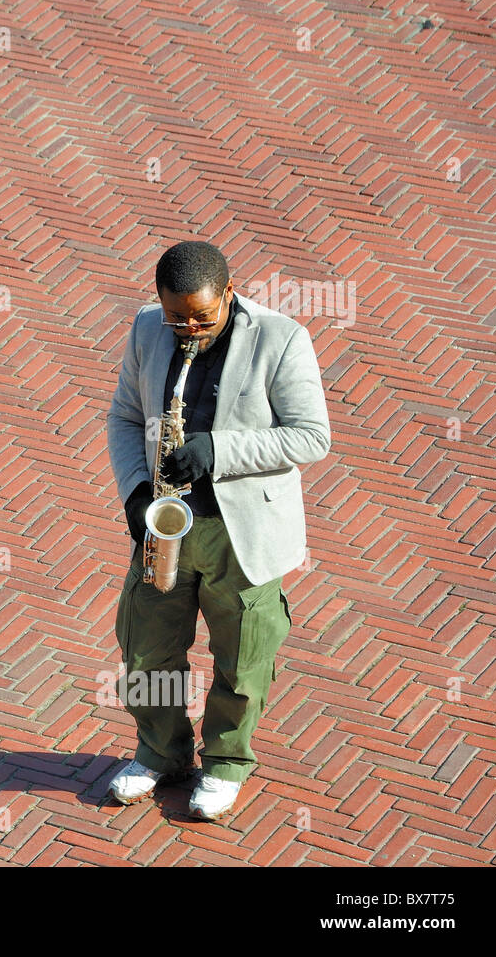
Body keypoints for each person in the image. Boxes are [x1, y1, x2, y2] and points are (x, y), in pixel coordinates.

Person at [104, 240, 331, 820]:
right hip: (167, 525)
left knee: (243, 658)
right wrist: (134, 491)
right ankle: (160, 751)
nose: (189, 330)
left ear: (229, 293)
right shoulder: (148, 329)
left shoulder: (282, 339)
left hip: (242, 534)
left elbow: (311, 436)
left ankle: (226, 764)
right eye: (176, 316)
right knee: (145, 650)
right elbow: (127, 416)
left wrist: (218, 450)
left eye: (203, 317)